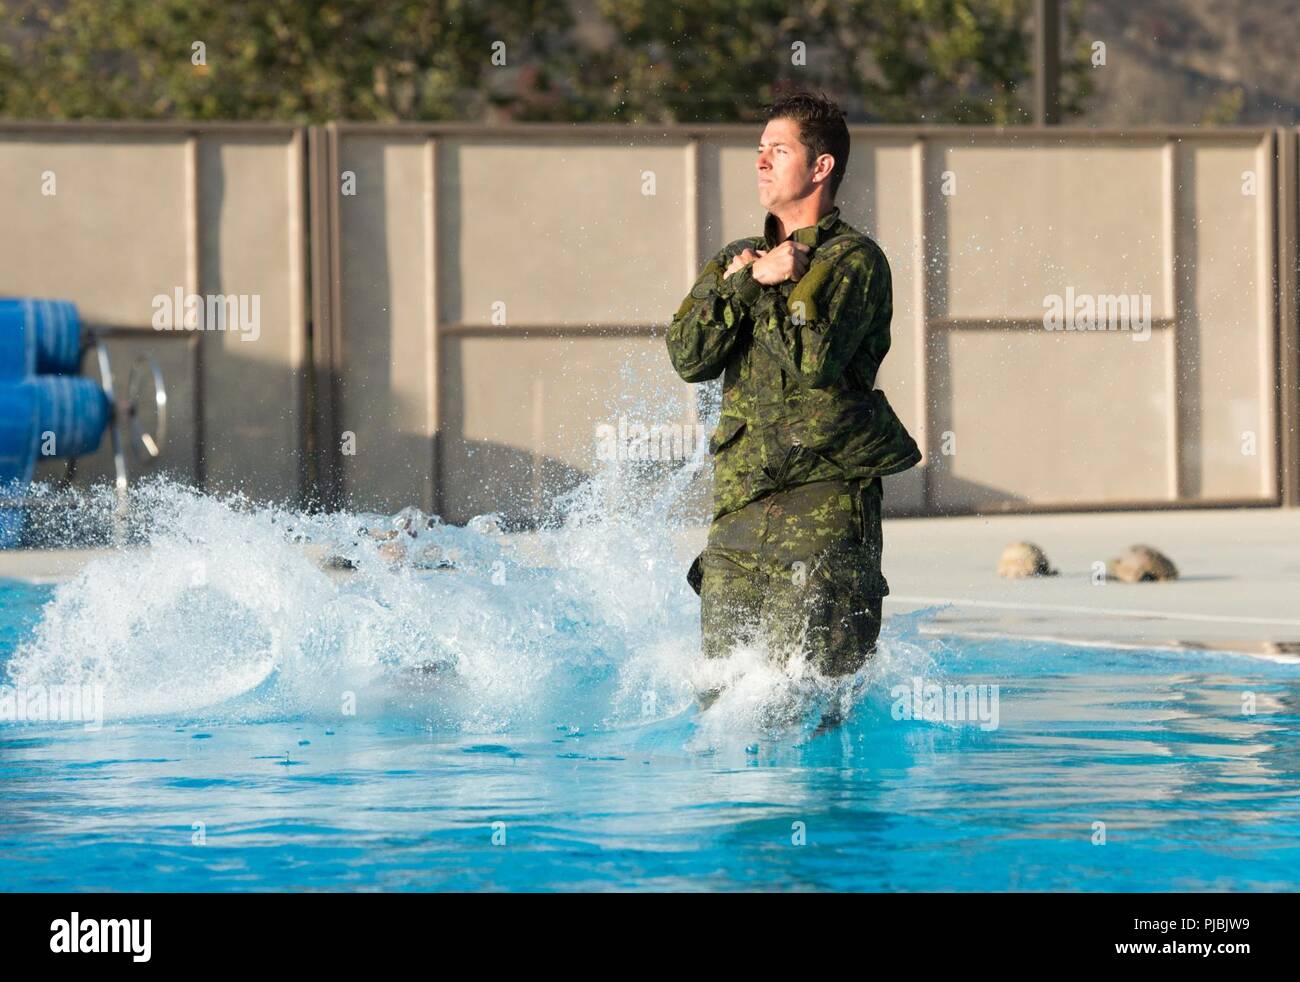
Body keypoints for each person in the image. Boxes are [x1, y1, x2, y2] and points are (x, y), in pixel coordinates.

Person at [666, 91, 921, 680]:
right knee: (725, 693)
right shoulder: (739, 258)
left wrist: (775, 282)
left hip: (824, 502)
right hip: (740, 508)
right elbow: (689, 355)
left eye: (778, 150)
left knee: (812, 696)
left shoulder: (853, 259)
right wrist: (751, 279)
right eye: (759, 150)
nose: (761, 162)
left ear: (821, 166)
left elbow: (814, 360)